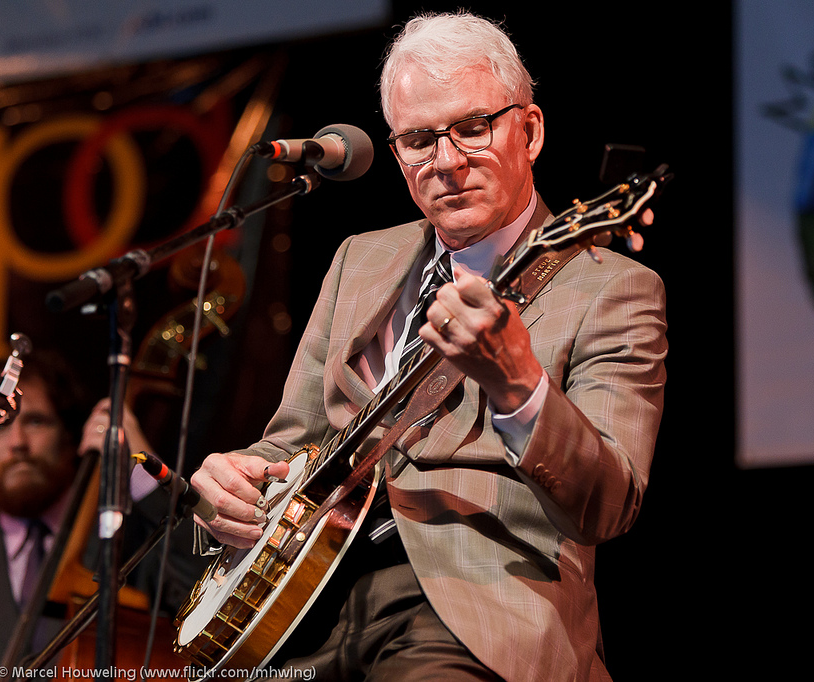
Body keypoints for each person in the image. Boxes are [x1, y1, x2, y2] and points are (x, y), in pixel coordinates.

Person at [190, 11, 667, 681]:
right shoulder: (359, 259)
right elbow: (288, 444)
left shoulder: (613, 290)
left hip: (472, 612)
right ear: (395, 153)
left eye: (473, 128)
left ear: (529, 131)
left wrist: (518, 386)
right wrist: (228, 485)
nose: (446, 162)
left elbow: (608, 504)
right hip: (305, 602)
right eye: (418, 140)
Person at [0, 350, 202, 674]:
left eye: (35, 421)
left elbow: (205, 585)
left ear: (69, 433)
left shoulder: (134, 531)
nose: (18, 442)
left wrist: (141, 468)